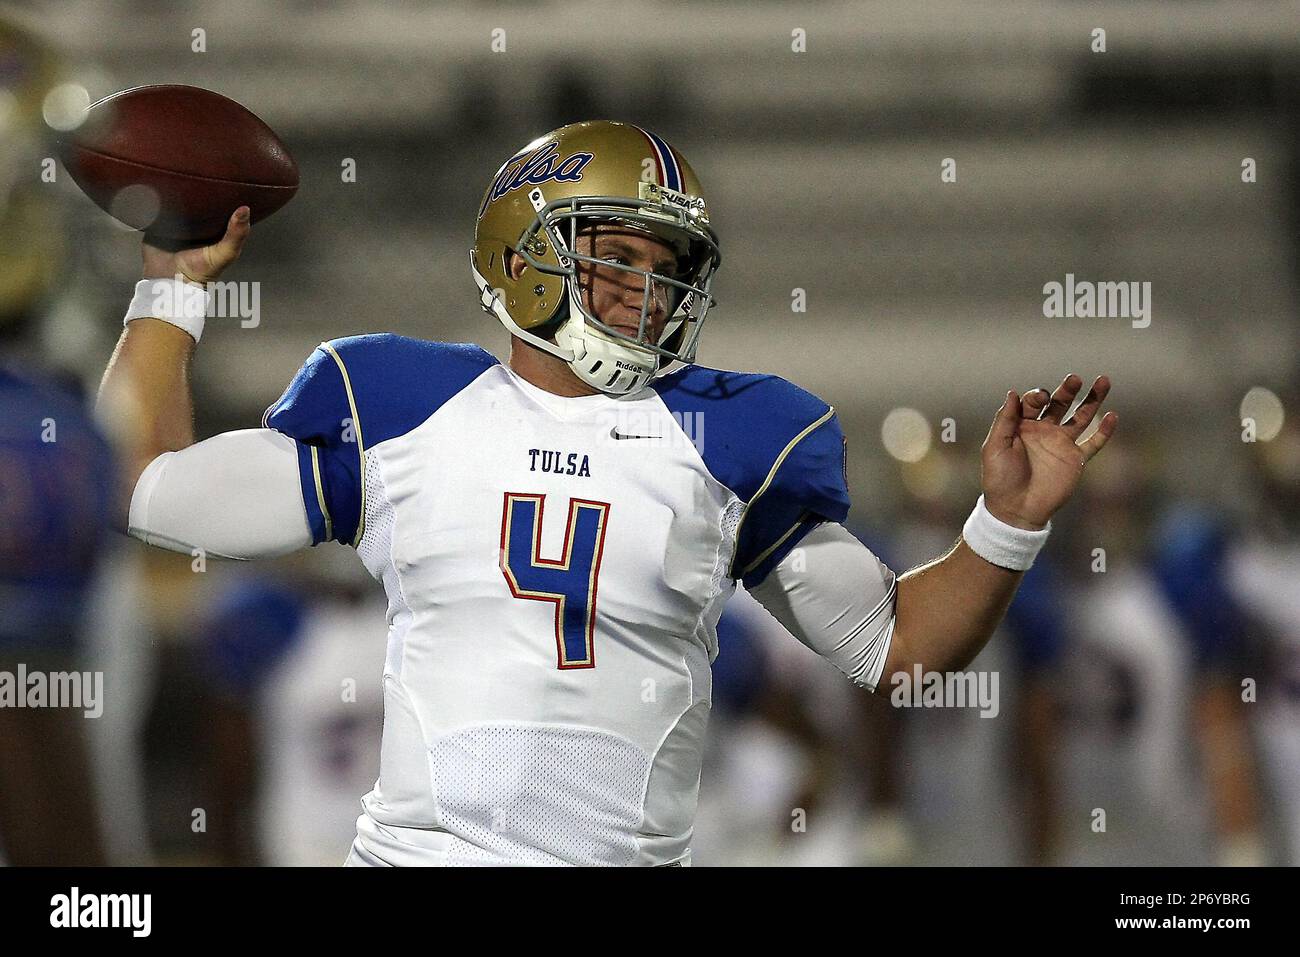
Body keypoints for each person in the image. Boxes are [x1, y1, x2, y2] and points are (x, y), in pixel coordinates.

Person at [97, 120, 1117, 866]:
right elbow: (152, 490)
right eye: (617, 254)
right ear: (524, 250)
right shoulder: (400, 405)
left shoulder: (731, 433)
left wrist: (1006, 521)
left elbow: (898, 650)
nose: (648, 288)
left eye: (668, 267)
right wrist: (173, 286)